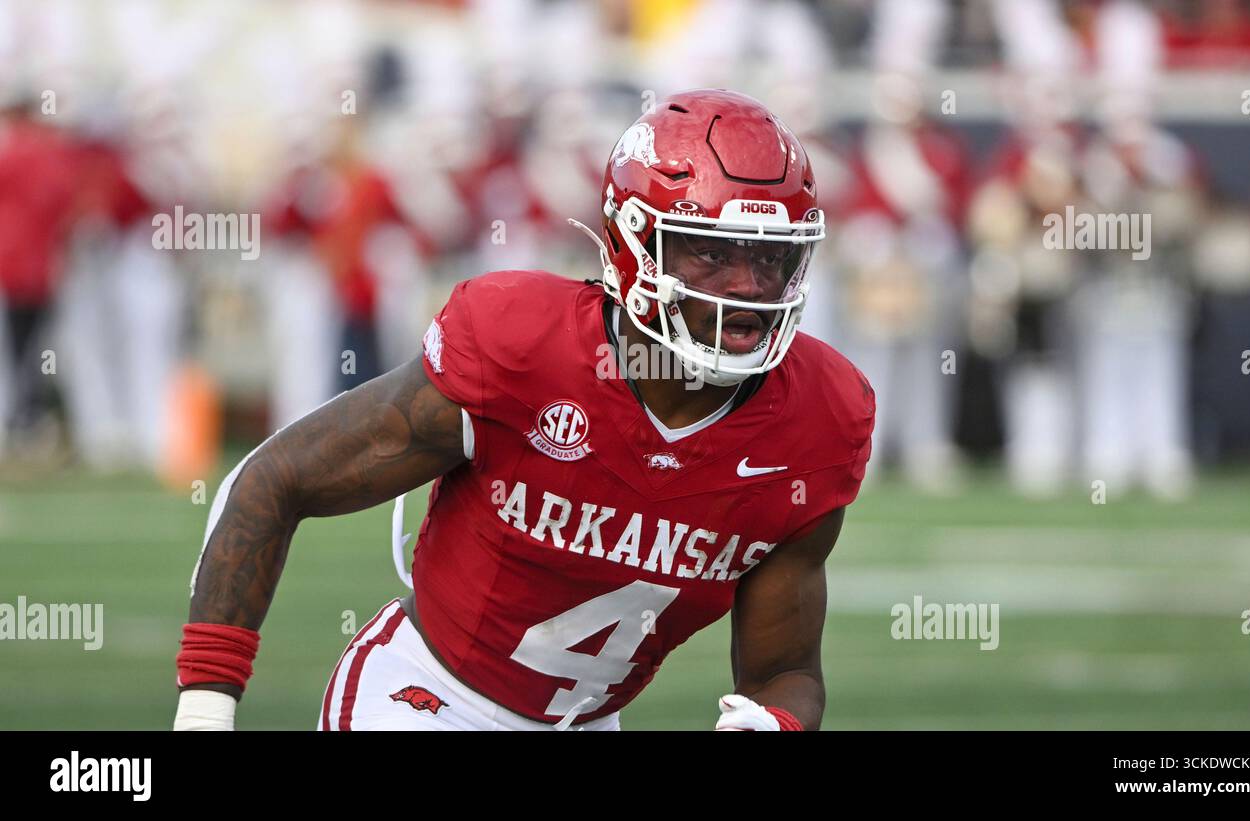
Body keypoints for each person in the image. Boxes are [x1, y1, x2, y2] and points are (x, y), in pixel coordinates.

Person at [173, 89, 875, 731]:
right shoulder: (522, 347)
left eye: (769, 256)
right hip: (426, 698)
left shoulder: (819, 417)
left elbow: (785, 669)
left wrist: (775, 722)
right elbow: (272, 480)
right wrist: (205, 708)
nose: (748, 288)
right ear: (636, 244)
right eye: (713, 253)